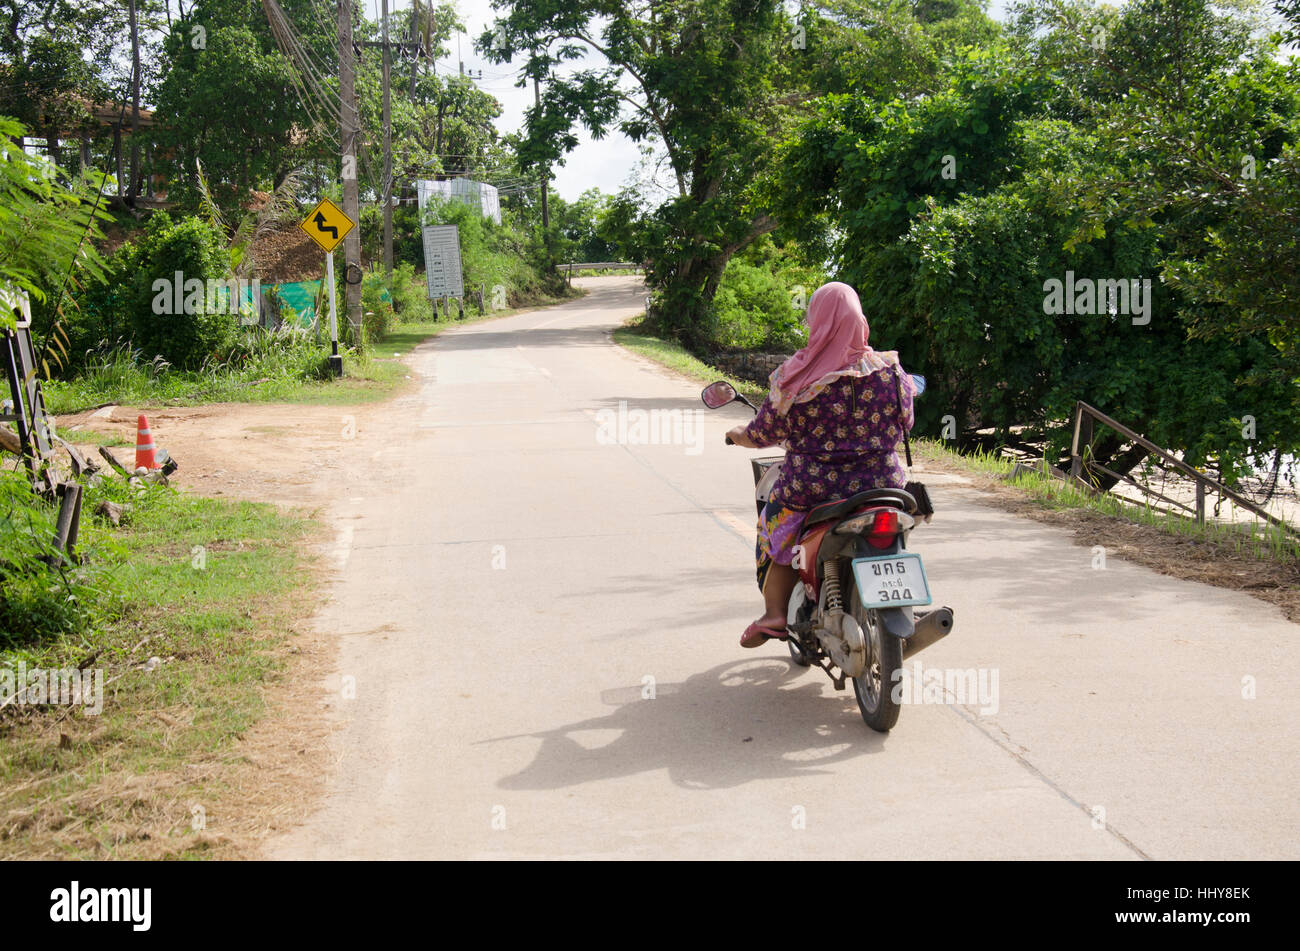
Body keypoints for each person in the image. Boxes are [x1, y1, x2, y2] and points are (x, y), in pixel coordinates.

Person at [725, 281, 915, 649]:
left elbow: (764, 432)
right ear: (859, 319)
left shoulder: (796, 377)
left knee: (775, 530)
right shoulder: (891, 372)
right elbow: (906, 421)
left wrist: (738, 433)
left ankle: (774, 614)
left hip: (812, 489)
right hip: (883, 483)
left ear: (818, 320)